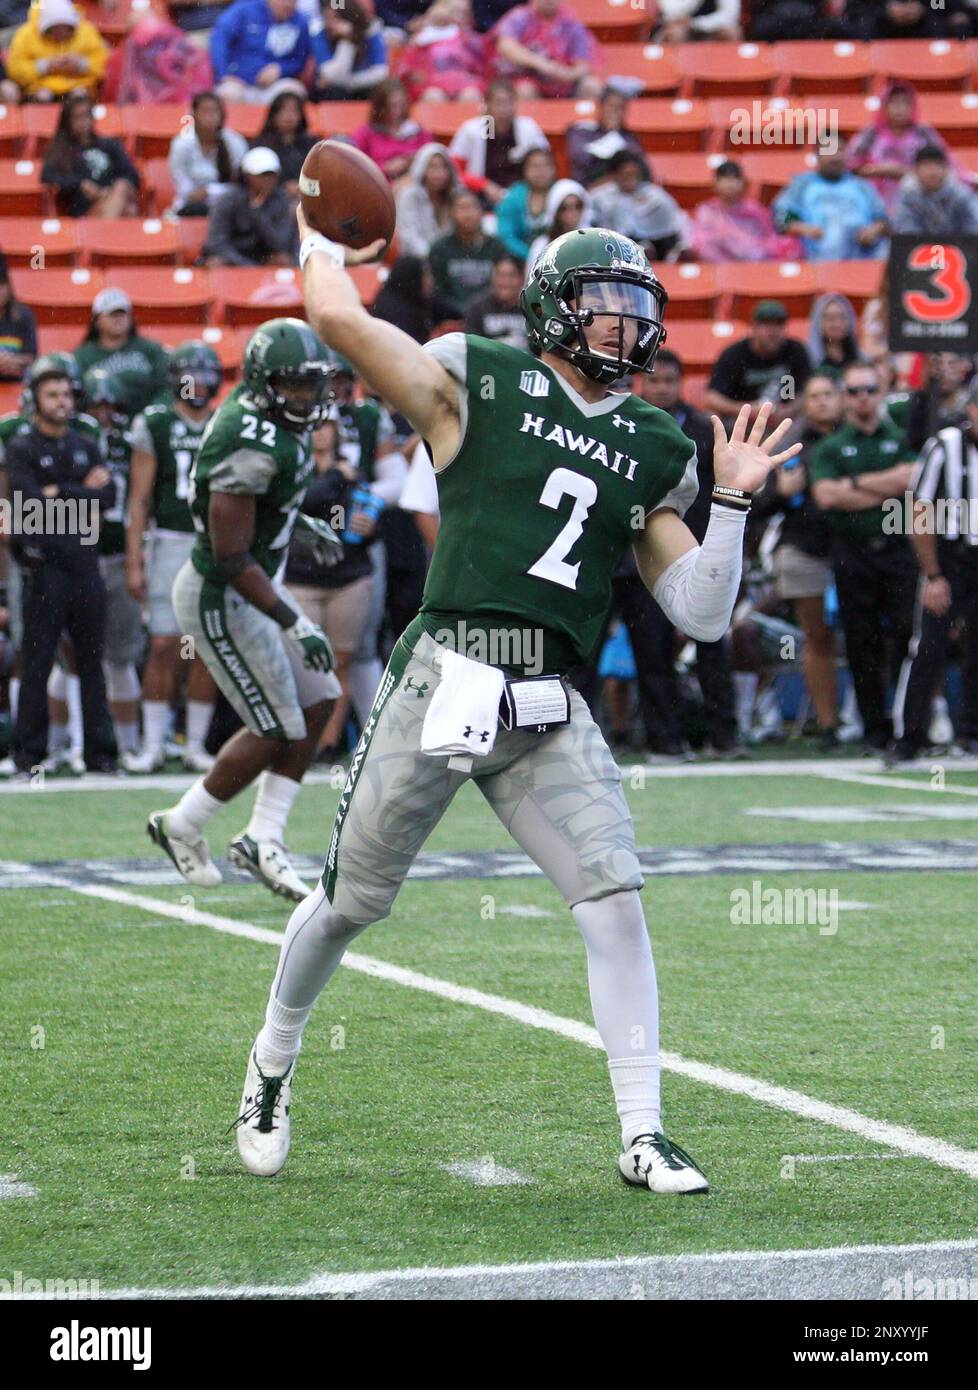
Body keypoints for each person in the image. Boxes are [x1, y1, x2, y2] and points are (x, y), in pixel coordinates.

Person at [229, 211, 801, 1192]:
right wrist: (327, 235)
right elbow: (335, 318)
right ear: (552, 309)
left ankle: (643, 1130)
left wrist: (735, 505)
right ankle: (271, 1062)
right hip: (446, 670)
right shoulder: (478, 377)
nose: (626, 324)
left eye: (636, 306)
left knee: (614, 899)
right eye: (606, 304)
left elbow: (700, 614)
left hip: (546, 694)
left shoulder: (655, 440)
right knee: (348, 904)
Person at [146, 318, 344, 900]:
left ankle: (264, 835)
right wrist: (296, 619)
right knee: (274, 724)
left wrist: (294, 523)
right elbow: (231, 554)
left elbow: (257, 509)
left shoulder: (273, 418)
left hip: (256, 585)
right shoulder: (247, 438)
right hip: (224, 596)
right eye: (296, 385)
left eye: (314, 384)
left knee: (321, 700)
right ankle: (181, 823)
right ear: (265, 383)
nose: (308, 397)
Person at [6, 359, 117, 776]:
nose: (62, 402)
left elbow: (109, 498)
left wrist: (60, 493)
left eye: (67, 394)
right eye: (53, 394)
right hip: (44, 570)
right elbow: (29, 507)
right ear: (36, 400)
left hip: (86, 567)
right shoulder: (22, 447)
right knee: (36, 661)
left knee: (93, 663)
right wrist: (79, 492)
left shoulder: (86, 444)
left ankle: (100, 756)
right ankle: (28, 756)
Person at [628, 349, 740, 758]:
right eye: (654, 380)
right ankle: (665, 740)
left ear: (681, 384)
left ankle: (723, 738)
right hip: (642, 555)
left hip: (701, 546)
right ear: (642, 383)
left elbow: (719, 493)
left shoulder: (704, 429)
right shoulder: (626, 424)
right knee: (653, 651)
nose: (661, 387)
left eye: (669, 380)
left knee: (712, 643)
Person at [809, 361, 917, 752]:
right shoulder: (832, 446)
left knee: (907, 634)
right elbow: (825, 495)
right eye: (854, 391)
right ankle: (874, 728)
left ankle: (910, 722)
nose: (863, 398)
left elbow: (915, 478)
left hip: (899, 549)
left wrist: (853, 485)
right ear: (844, 397)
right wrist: (887, 486)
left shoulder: (901, 433)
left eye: (870, 389)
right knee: (861, 640)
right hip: (852, 552)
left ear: (881, 392)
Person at [124, 342, 222, 774]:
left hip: (215, 544)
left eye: (205, 374)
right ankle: (152, 745)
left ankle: (195, 744)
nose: (198, 382)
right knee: (163, 644)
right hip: (167, 540)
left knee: (207, 648)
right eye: (191, 374)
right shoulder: (157, 422)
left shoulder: (227, 421)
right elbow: (139, 498)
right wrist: (134, 559)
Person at [891, 377, 978, 763]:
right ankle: (909, 737)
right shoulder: (945, 446)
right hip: (949, 557)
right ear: (971, 410)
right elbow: (920, 511)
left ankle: (971, 735)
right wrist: (933, 575)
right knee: (928, 645)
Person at [758, 372, 843, 748]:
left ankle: (874, 721)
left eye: (829, 394)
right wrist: (779, 491)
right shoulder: (792, 443)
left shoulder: (860, 433)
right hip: (806, 549)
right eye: (815, 396)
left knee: (873, 636)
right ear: (805, 403)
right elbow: (758, 505)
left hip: (857, 551)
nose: (823, 401)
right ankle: (828, 725)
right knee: (818, 637)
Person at [847, 82, 958, 216]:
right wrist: (879, 170)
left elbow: (945, 165)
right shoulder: (871, 133)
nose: (900, 109)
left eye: (905, 103)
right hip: (874, 196)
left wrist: (903, 172)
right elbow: (852, 168)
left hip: (919, 195)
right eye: (894, 103)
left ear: (913, 107)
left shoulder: (924, 133)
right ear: (884, 107)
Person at [772, 143, 888, 263]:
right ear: (817, 155)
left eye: (840, 150)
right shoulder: (801, 184)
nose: (835, 157)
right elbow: (781, 219)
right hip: (818, 254)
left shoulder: (861, 185)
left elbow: (883, 220)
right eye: (829, 151)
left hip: (863, 253)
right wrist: (805, 229)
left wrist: (874, 230)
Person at [705, 301, 811, 429]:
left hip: (785, 422)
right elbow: (712, 398)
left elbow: (808, 390)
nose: (773, 331)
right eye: (766, 324)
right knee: (709, 418)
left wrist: (788, 409)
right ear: (753, 328)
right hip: (742, 422)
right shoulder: (735, 354)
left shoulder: (796, 350)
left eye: (779, 325)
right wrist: (748, 410)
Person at [41, 90, 140, 220]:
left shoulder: (110, 145)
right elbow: (47, 176)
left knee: (122, 189)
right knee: (128, 212)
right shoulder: (61, 150)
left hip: (109, 198)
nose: (83, 122)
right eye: (77, 117)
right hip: (83, 211)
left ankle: (102, 233)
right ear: (68, 121)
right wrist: (80, 184)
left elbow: (131, 175)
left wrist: (107, 191)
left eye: (86, 116)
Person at [448, 78, 548, 205]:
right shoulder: (473, 130)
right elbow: (454, 171)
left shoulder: (527, 128)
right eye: (499, 103)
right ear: (488, 104)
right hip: (479, 196)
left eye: (509, 102)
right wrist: (484, 185)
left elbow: (544, 164)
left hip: (523, 197)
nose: (505, 108)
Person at [74, 288, 169, 421]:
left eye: (122, 314)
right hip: (102, 423)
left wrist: (153, 415)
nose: (118, 319)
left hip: (148, 421)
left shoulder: (150, 349)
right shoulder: (82, 356)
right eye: (112, 314)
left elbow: (167, 386)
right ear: (96, 320)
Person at [691, 160, 802, 265]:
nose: (730, 184)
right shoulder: (708, 212)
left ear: (744, 183)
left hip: (754, 268)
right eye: (725, 178)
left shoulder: (754, 211)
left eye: (735, 178)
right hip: (716, 270)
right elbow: (701, 245)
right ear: (715, 183)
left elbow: (770, 240)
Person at [203, 146, 299, 267]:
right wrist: (247, 265)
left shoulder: (281, 200)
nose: (267, 180)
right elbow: (216, 243)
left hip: (264, 257)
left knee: (283, 260)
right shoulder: (228, 199)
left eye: (271, 175)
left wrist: (258, 213)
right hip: (234, 256)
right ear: (247, 175)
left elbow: (280, 243)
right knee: (215, 263)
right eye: (262, 175)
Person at [491, 0, 601, 100]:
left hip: (564, 84)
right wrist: (543, 65)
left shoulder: (572, 24)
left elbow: (583, 66)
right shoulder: (520, 17)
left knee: (592, 86)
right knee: (525, 90)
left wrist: (568, 75)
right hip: (530, 79)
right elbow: (505, 46)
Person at [589, 151, 687, 262]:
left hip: (661, 243)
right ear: (614, 175)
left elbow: (674, 218)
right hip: (619, 248)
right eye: (626, 175)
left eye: (634, 174)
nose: (631, 180)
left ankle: (672, 254)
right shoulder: (600, 197)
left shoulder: (654, 193)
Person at [211, 0, 312, 105]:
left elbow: (300, 60)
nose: (287, 4)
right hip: (239, 84)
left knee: (294, 92)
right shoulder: (245, 10)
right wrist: (223, 74)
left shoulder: (300, 22)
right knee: (227, 93)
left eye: (292, 1)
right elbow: (219, 38)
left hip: (275, 87)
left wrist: (281, 69)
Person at [168, 90, 248, 219]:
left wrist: (209, 191)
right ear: (193, 114)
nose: (209, 116)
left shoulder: (234, 142)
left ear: (222, 115)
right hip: (190, 206)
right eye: (205, 111)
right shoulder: (181, 144)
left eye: (214, 111)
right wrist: (196, 195)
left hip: (229, 205)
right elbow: (182, 185)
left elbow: (241, 183)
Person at [428, 187, 508, 314]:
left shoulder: (497, 247)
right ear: (451, 213)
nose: (468, 214)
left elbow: (504, 287)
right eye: (462, 208)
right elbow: (437, 292)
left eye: (473, 207)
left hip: (489, 315)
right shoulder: (440, 248)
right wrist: (460, 310)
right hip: (449, 315)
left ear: (482, 212)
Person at [7, 0, 107, 102]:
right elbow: (15, 70)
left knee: (79, 95)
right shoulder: (26, 35)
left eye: (65, 29)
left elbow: (105, 65)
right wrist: (44, 66)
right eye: (56, 29)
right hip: (40, 87)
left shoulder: (87, 32)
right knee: (43, 96)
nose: (61, 33)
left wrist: (82, 64)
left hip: (79, 84)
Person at [395, 0, 488, 103]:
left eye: (463, 12)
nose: (456, 14)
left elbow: (480, 64)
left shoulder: (468, 37)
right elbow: (408, 68)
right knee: (433, 96)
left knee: (471, 95)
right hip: (430, 85)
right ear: (433, 9)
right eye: (452, 9)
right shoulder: (420, 38)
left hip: (463, 83)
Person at [567, 86, 649, 190]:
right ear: (600, 107)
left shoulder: (629, 137)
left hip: (624, 190)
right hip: (589, 188)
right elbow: (581, 158)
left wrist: (614, 134)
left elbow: (639, 165)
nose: (615, 112)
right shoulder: (582, 130)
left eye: (621, 108)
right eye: (612, 106)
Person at [351, 77, 429, 183]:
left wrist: (414, 161)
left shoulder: (418, 131)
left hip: (414, 182)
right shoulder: (366, 133)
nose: (398, 110)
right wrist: (385, 168)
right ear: (381, 106)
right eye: (392, 105)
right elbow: (354, 165)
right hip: (379, 186)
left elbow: (432, 157)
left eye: (401, 104)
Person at [891, 145, 978, 238]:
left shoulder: (961, 195)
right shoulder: (907, 195)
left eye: (937, 165)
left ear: (946, 169)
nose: (932, 172)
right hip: (917, 247)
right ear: (915, 170)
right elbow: (905, 231)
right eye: (926, 166)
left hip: (961, 247)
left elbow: (973, 229)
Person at [370, 254, 457, 342]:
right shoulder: (394, 312)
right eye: (426, 275)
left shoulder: (417, 299)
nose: (431, 280)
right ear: (413, 279)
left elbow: (451, 312)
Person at [310, 0, 388, 99]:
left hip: (363, 87)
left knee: (374, 91)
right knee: (335, 92)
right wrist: (347, 41)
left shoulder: (370, 32)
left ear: (348, 18)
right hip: (338, 91)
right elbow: (330, 74)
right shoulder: (321, 36)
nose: (329, 23)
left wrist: (349, 82)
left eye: (335, 18)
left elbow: (381, 72)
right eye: (326, 18)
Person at [395, 143, 459, 260]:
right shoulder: (409, 196)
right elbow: (409, 239)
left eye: (444, 167)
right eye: (433, 167)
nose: (439, 173)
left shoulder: (455, 197)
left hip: (449, 263)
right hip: (415, 261)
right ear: (422, 168)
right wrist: (434, 258)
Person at [495, 145, 557, 262]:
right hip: (520, 260)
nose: (540, 171)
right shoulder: (512, 198)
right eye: (534, 166)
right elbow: (506, 236)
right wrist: (532, 256)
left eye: (546, 165)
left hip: (559, 259)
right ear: (524, 169)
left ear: (554, 169)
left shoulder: (565, 193)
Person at [253, 92, 317, 198]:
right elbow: (251, 180)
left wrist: (301, 186)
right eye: (283, 110)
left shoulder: (312, 145)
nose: (288, 116)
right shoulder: (260, 145)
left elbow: (320, 182)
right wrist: (282, 189)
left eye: (294, 111)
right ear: (273, 114)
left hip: (305, 198)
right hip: (269, 198)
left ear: (301, 115)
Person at [463, 254, 527, 348]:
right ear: (492, 278)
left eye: (511, 276)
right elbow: (472, 346)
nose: (505, 282)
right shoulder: (478, 308)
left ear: (522, 278)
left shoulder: (529, 309)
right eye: (500, 275)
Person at [526, 178, 591, 269]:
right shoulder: (542, 245)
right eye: (564, 208)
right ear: (554, 210)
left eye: (578, 206)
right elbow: (531, 280)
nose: (572, 213)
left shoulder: (594, 241)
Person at [0, 253, 36, 382]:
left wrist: (11, 361)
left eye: (2, 284)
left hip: (17, 380)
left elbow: (32, 357)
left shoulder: (24, 316)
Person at [807, 294, 860, 379]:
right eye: (830, 318)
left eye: (842, 317)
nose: (837, 324)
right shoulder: (808, 360)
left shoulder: (859, 358)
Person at [654, 0, 740, 41]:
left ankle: (726, 72)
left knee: (731, 32)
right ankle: (674, 73)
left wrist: (696, 24)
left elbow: (730, 15)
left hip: (709, 28)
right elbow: (671, 12)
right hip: (681, 28)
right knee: (675, 33)